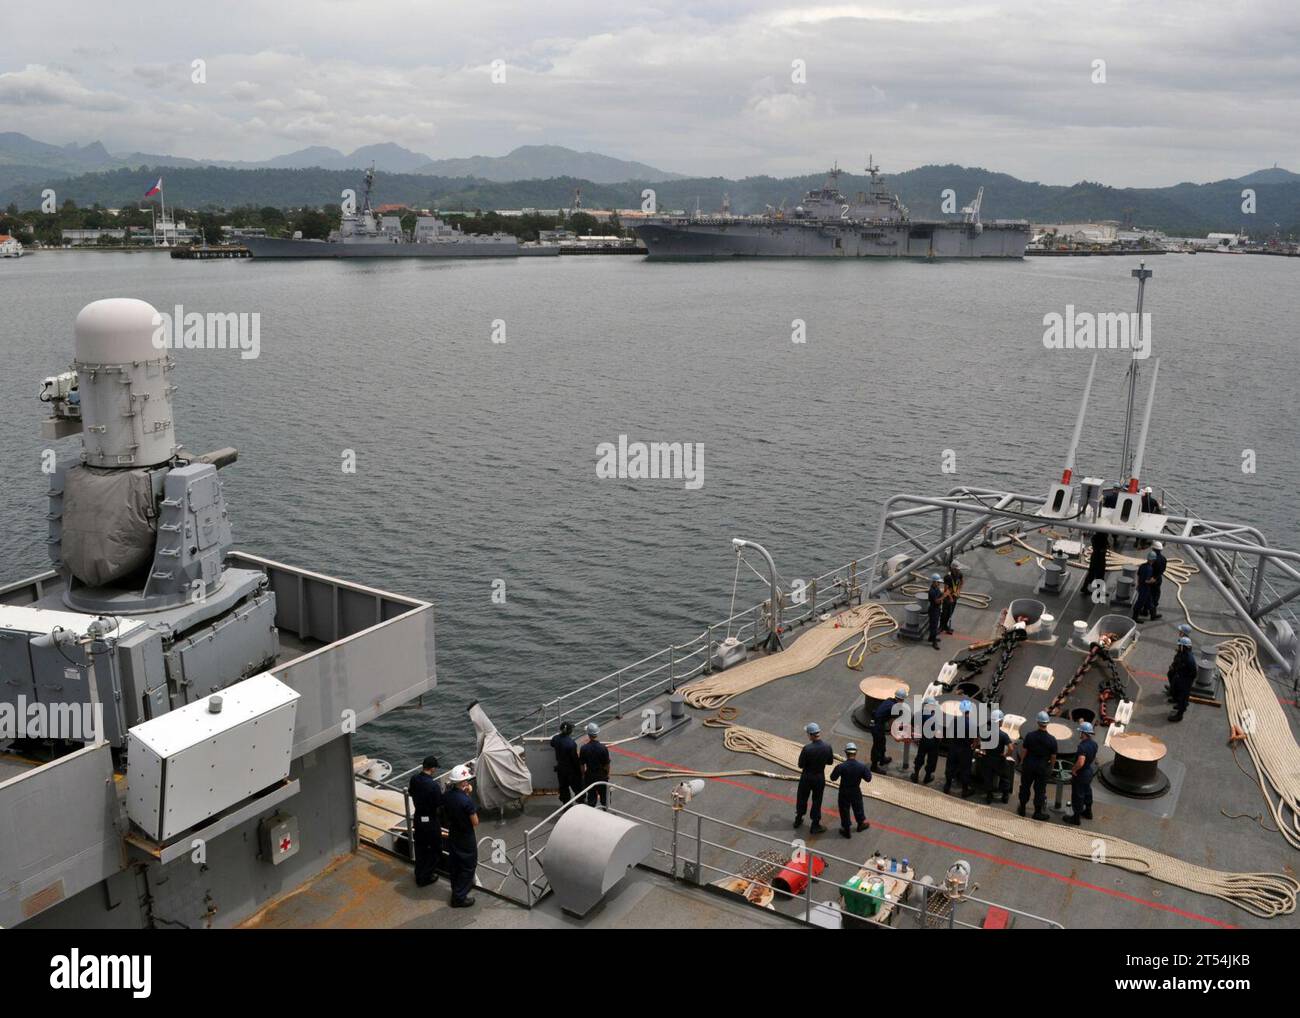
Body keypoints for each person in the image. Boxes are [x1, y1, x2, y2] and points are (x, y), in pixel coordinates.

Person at [443, 764, 479, 908]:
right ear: (463, 783)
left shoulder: (446, 795)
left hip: (453, 834)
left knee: (456, 864)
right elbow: (475, 822)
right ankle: (459, 897)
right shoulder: (466, 801)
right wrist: (468, 797)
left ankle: (457, 888)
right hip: (465, 837)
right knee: (468, 865)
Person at [408, 754, 443, 887]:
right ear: (433, 769)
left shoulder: (414, 779)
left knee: (420, 847)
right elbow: (439, 804)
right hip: (430, 821)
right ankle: (426, 876)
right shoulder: (434, 786)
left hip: (418, 818)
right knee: (436, 849)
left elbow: (411, 792)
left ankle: (419, 873)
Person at [1017, 712, 1059, 821]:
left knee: (1025, 786)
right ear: (1047, 723)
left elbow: (1024, 751)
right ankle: (1037, 812)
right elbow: (1053, 757)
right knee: (1040, 790)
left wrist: (1022, 762)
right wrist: (1050, 767)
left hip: (1029, 765)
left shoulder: (1030, 736)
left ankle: (1022, 808)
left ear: (1037, 722)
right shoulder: (1052, 740)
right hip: (1042, 768)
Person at [794, 722, 833, 834]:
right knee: (817, 800)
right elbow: (830, 762)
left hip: (806, 777)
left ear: (811, 735)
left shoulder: (807, 749)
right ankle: (815, 824)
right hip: (819, 777)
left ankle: (798, 819)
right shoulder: (827, 747)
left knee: (802, 797)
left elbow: (800, 765)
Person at [829, 743, 872, 838]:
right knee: (858, 807)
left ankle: (846, 829)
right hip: (856, 790)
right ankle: (861, 824)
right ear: (855, 753)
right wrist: (867, 769)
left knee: (844, 810)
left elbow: (832, 778)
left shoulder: (841, 766)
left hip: (844, 791)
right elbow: (868, 779)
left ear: (846, 753)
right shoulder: (861, 766)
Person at [976, 709, 1014, 804]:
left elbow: (978, 741)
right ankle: (1005, 796)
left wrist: (983, 748)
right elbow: (1011, 748)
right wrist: (1006, 755)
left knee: (988, 777)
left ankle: (989, 796)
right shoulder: (1004, 735)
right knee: (1005, 777)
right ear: (1000, 722)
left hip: (987, 758)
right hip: (999, 760)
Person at [1062, 722, 1097, 825]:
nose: (1080, 734)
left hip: (1081, 774)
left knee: (1078, 795)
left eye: (1081, 732)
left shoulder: (1082, 746)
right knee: (1087, 791)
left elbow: (1081, 761)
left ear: (1083, 733)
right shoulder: (1094, 744)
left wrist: (1074, 770)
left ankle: (1076, 818)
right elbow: (1093, 757)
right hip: (1089, 772)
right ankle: (1088, 812)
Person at [943, 699, 976, 798]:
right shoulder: (972, 724)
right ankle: (964, 790)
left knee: (950, 766)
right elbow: (975, 740)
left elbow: (949, 733)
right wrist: (973, 747)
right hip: (965, 750)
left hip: (954, 747)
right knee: (965, 769)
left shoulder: (955, 720)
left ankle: (947, 786)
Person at [870, 688, 905, 774]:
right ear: (902, 699)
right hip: (877, 726)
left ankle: (882, 759)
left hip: (876, 722)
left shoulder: (889, 700)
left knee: (882, 742)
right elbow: (891, 722)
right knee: (877, 746)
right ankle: (874, 766)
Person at [550, 721, 582, 807]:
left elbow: (552, 744)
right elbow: (574, 760)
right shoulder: (571, 744)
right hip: (570, 770)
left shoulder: (555, 738)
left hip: (560, 768)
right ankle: (581, 802)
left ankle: (566, 805)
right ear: (570, 731)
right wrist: (580, 771)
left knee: (564, 787)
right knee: (577, 787)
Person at [579, 722, 611, 808]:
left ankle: (592, 813)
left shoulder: (583, 748)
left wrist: (583, 775)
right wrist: (607, 774)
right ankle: (606, 810)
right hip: (601, 775)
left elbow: (582, 765)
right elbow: (607, 764)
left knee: (591, 797)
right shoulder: (603, 748)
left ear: (588, 734)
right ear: (596, 734)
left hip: (590, 776)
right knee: (605, 797)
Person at [1167, 637, 1198, 722]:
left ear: (1184, 647)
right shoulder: (1184, 654)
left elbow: (1193, 673)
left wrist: (1186, 681)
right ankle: (1178, 702)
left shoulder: (1189, 659)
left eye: (1180, 645)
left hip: (1185, 681)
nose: (1179, 647)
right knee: (1178, 692)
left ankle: (1179, 715)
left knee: (1183, 697)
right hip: (1181, 678)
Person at [911, 695, 940, 785]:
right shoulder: (935, 717)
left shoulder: (918, 714)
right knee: (932, 759)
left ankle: (915, 775)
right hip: (933, 742)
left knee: (920, 757)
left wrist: (915, 738)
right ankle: (927, 777)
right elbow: (938, 734)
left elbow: (912, 726)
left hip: (923, 740)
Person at [1132, 551, 1157, 622]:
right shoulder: (1149, 569)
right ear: (1153, 560)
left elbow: (1139, 575)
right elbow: (1146, 581)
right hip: (1145, 588)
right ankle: (1134, 617)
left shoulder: (1142, 566)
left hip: (1142, 587)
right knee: (1140, 602)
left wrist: (1138, 584)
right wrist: (1153, 581)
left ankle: (1153, 615)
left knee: (1149, 601)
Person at [940, 562, 964, 635]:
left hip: (954, 596)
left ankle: (945, 626)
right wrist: (950, 597)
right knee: (945, 612)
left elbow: (962, 582)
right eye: (957, 569)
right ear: (953, 569)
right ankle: (941, 626)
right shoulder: (948, 577)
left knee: (950, 612)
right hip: (947, 597)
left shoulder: (959, 574)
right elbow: (946, 589)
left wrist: (958, 591)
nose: (958, 571)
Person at [1149, 541, 1167, 620]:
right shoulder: (1163, 559)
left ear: (1153, 549)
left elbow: (1148, 568)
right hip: (1157, 579)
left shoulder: (1151, 558)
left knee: (1149, 595)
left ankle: (1145, 611)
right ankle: (1153, 614)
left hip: (1150, 579)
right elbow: (1163, 570)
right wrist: (1156, 577)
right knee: (1155, 596)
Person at [926, 574, 943, 649]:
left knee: (934, 624)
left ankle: (931, 638)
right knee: (934, 626)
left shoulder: (936, 588)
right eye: (938, 582)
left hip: (936, 609)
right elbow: (936, 601)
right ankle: (934, 642)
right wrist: (944, 596)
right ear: (933, 582)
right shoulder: (932, 591)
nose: (939, 583)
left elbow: (939, 595)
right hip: (933, 610)